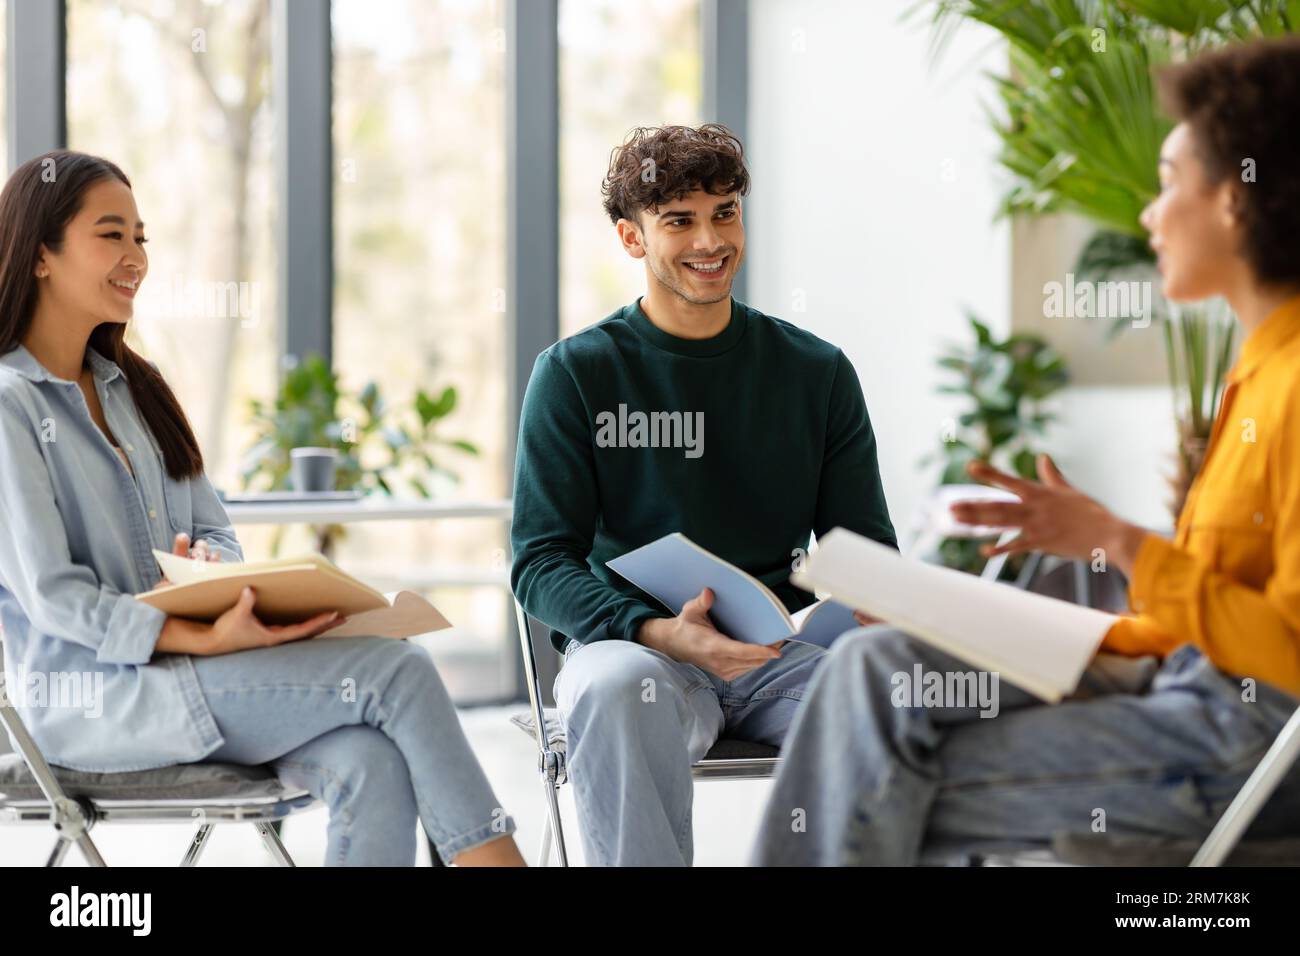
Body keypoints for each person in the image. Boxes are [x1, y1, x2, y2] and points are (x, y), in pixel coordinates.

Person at [751, 35, 1300, 866]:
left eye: (1165, 185)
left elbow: (1286, 654)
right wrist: (996, 619)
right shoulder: (1255, 372)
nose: (1148, 216)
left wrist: (1119, 543)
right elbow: (1200, 615)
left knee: (876, 779)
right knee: (876, 659)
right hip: (1186, 682)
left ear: (1233, 201)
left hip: (1243, 735)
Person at [0, 150, 524, 867]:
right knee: (397, 672)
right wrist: (198, 634)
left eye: (142, 237)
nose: (137, 257)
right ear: (39, 256)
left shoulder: (133, 390)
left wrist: (211, 574)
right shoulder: (9, 406)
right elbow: (55, 599)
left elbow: (213, 527)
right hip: (92, 706)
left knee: (369, 760)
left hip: (195, 679)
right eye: (111, 234)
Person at [510, 124, 896, 865]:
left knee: (890, 700)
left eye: (725, 212)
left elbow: (864, 552)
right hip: (638, 652)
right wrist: (657, 632)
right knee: (614, 690)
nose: (709, 240)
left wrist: (881, 604)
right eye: (678, 220)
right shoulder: (575, 374)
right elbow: (539, 562)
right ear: (631, 237)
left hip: (781, 655)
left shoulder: (815, 372)